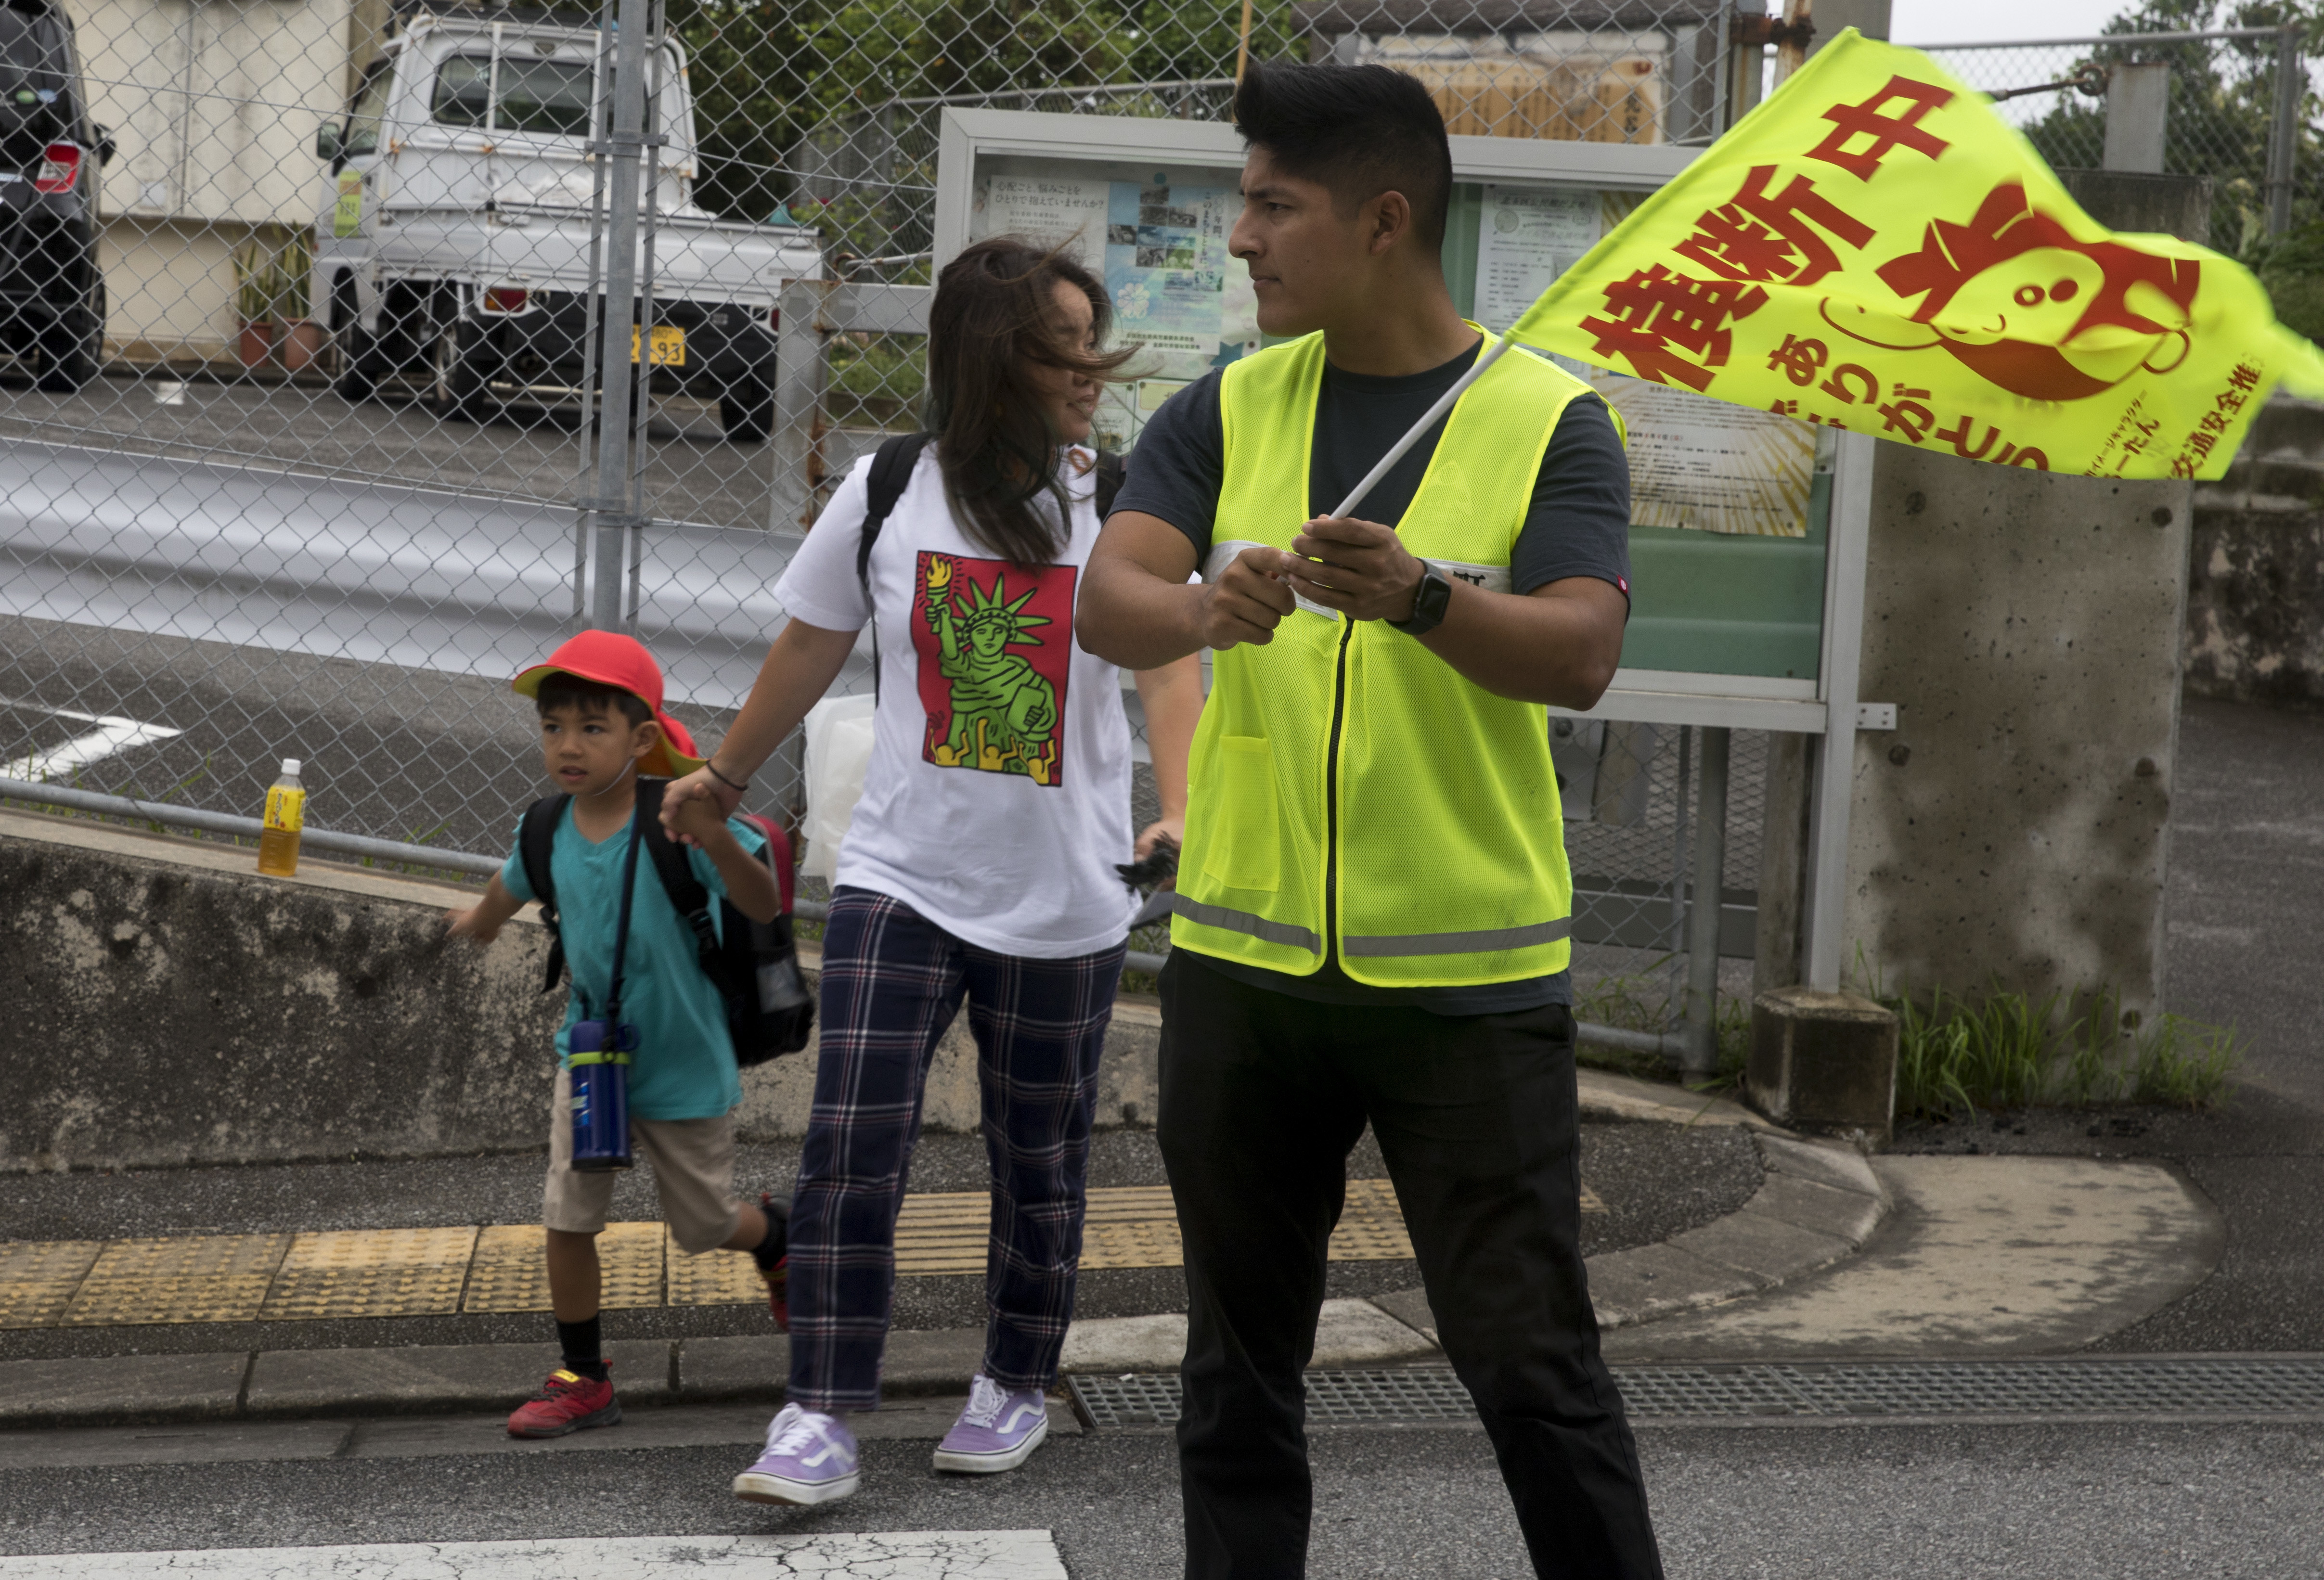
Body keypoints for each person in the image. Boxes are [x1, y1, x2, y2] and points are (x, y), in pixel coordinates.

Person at [1076, 61, 1664, 1580]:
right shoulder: (1228, 402)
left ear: (1384, 220)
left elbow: (1580, 651)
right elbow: (1106, 600)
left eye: (1274, 205)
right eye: (1244, 202)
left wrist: (1418, 595)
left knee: (1533, 1371)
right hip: (1242, 972)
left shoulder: (1550, 419)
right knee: (1234, 1378)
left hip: (1465, 988)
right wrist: (1207, 604)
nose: (1240, 239)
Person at [658, 236, 1205, 1507]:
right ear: (988, 360)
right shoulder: (890, 487)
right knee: (851, 1147)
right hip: (903, 874)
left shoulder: (1117, 505)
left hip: (1068, 892)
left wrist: (1178, 809)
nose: (1088, 371)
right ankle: (820, 1413)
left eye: (1093, 343)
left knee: (1038, 1155)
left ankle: (1015, 1376)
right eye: (1061, 347)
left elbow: (1172, 660)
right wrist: (725, 779)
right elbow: (808, 644)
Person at [445, 629, 791, 1439]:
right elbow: (512, 882)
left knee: (703, 1226)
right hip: (594, 1060)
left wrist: (711, 835)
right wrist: (479, 922)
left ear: (641, 740)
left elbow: (764, 904)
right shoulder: (546, 827)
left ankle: (780, 1233)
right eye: (554, 726)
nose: (567, 745)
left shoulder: (677, 820)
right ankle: (584, 1376)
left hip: (682, 1056)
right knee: (568, 1217)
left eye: (592, 728)